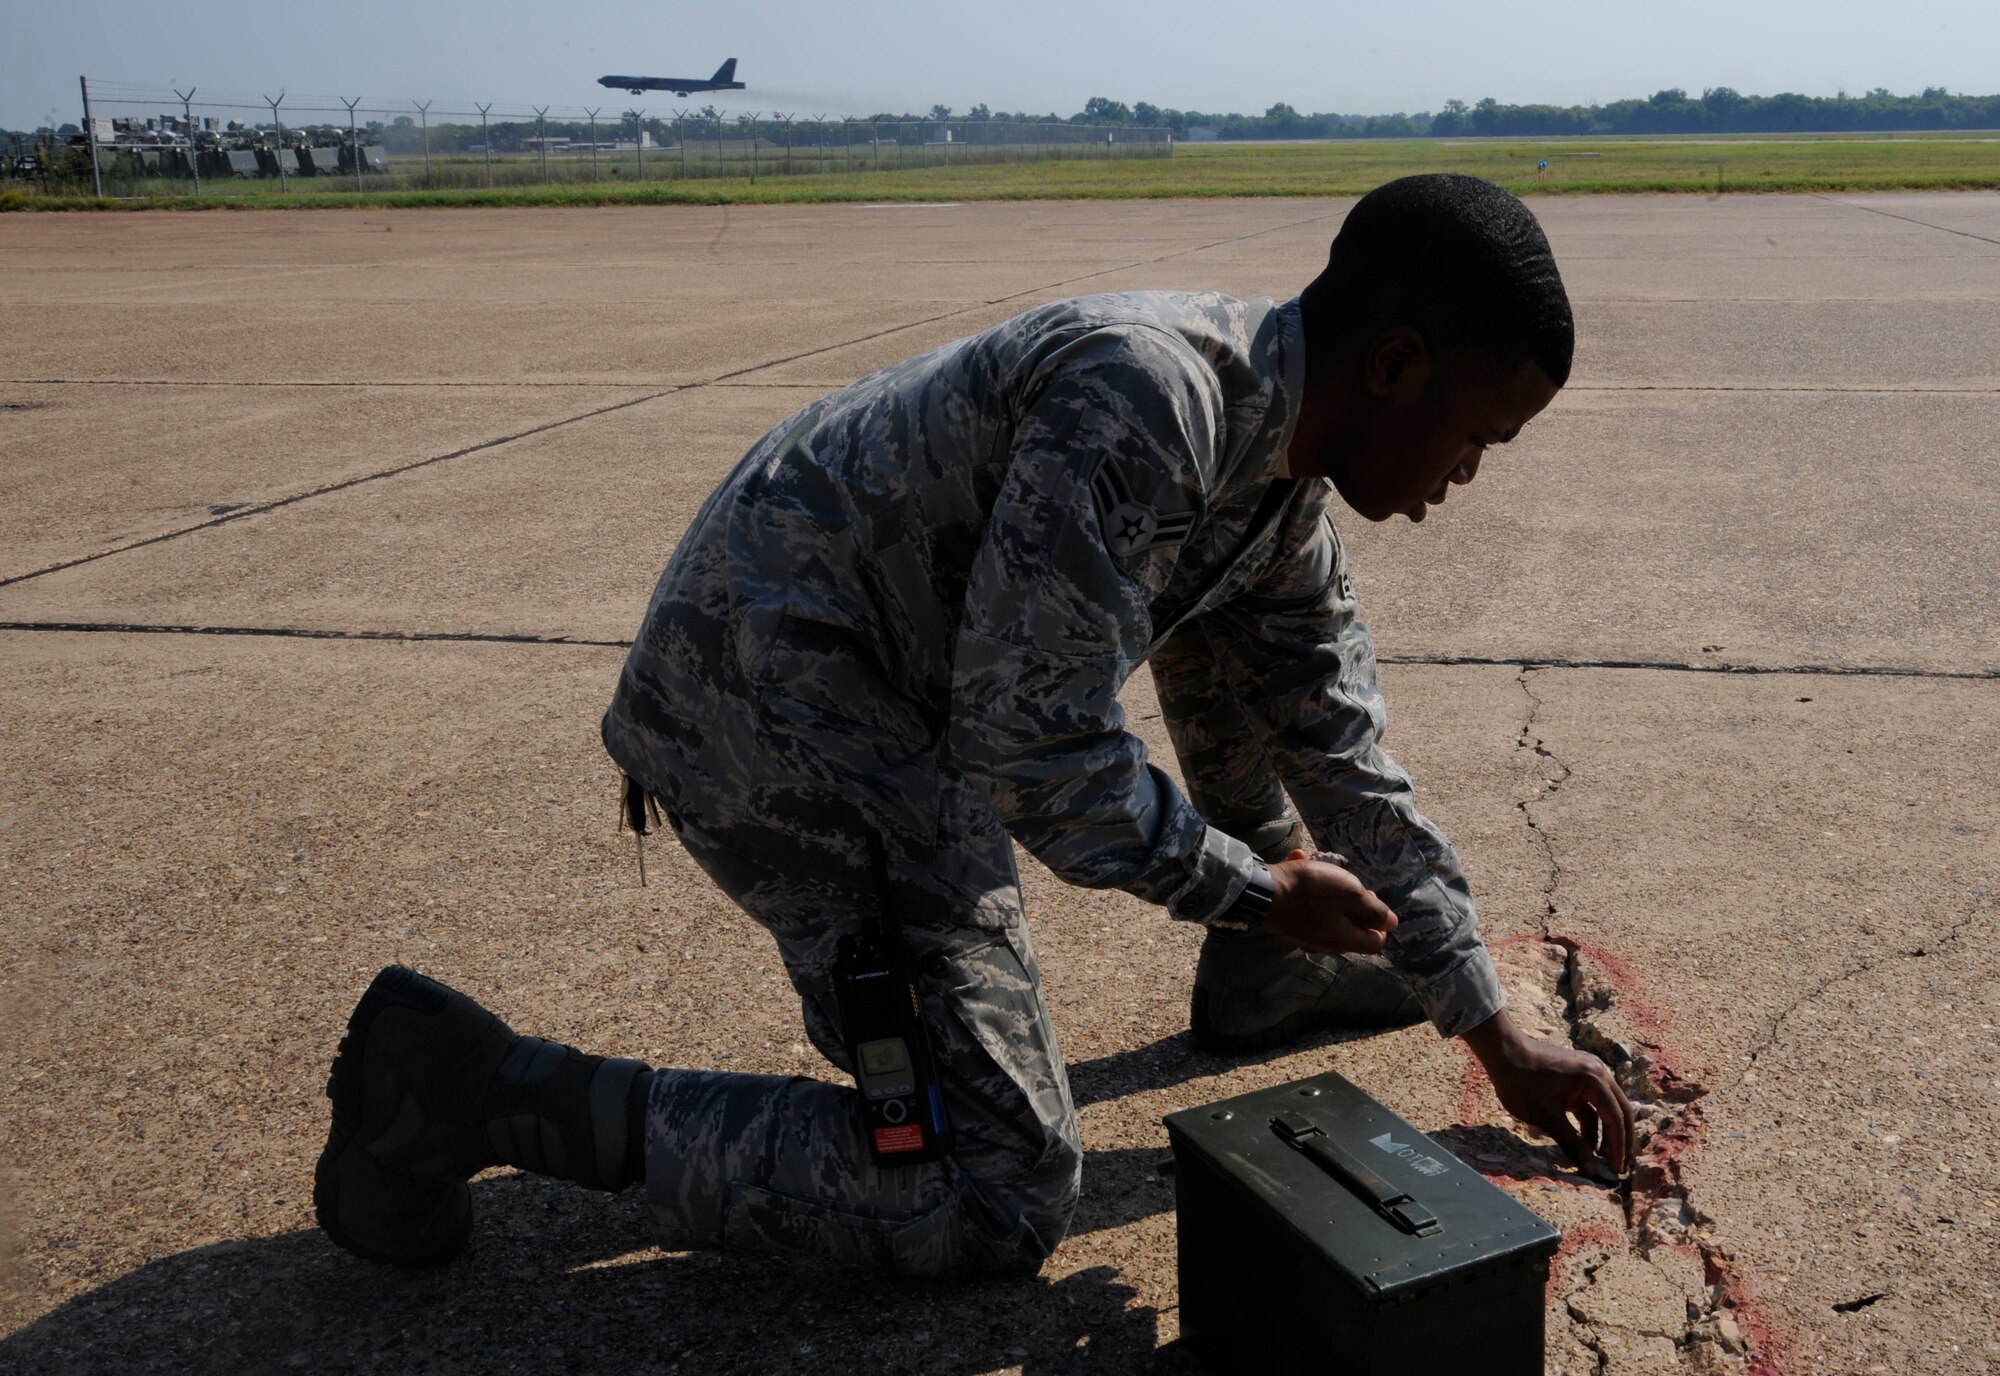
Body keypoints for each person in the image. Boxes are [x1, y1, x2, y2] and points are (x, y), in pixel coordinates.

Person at [314, 173, 1636, 1277]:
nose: (1467, 477)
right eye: (1478, 438)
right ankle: (473, 1087)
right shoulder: (1150, 403)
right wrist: (1248, 890)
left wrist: (1491, 1029)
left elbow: (1351, 769)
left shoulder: (1280, 495)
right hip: (774, 712)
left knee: (1255, 682)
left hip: (888, 703)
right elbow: (1036, 750)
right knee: (990, 1192)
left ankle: (1269, 976)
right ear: (1394, 365)